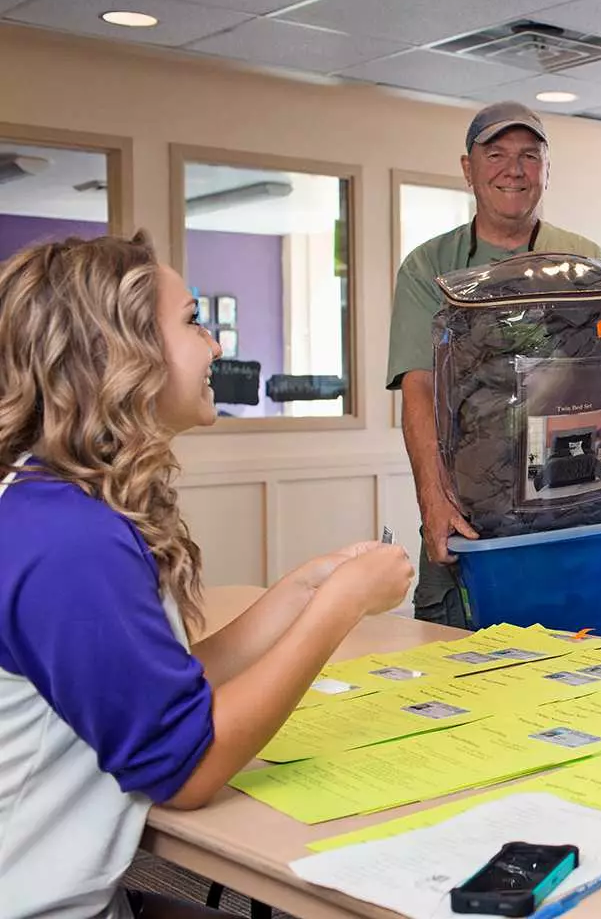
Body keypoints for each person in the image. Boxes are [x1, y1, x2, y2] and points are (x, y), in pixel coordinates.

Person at [0, 234, 414, 918]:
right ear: (118, 352)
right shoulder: (71, 543)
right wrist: (338, 608)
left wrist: (303, 589)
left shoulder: (49, 506)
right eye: (193, 322)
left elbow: (165, 689)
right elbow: (184, 769)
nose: (217, 346)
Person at [388, 101, 601, 628]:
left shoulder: (585, 261)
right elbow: (418, 386)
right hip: (472, 524)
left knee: (585, 680)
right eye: (496, 155)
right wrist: (432, 500)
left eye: (529, 156)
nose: (513, 169)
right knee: (463, 684)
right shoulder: (430, 268)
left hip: (578, 522)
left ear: (547, 170)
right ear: (468, 168)